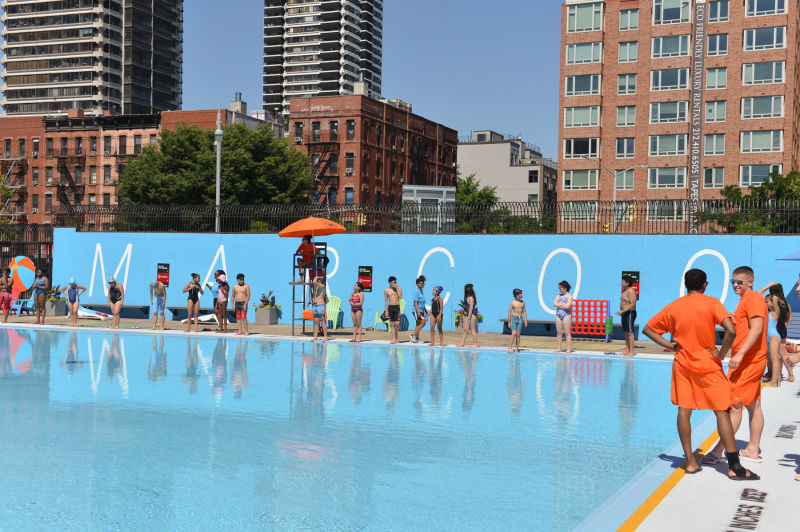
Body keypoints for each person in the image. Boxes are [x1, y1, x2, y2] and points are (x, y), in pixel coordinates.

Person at [643, 268, 759, 480]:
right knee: (722, 411)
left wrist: (671, 345)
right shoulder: (712, 303)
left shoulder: (674, 306)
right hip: (708, 363)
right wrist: (721, 353)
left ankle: (690, 461)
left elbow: (648, 329)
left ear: (686, 284)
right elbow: (731, 330)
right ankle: (734, 466)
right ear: (704, 285)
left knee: (684, 410)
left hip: (682, 363)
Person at [706, 266, 768, 465]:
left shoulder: (753, 299)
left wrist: (740, 354)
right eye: (733, 281)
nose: (735, 284)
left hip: (748, 361)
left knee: (734, 406)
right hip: (751, 360)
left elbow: (757, 328)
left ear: (750, 282)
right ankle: (752, 449)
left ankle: (719, 451)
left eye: (739, 282)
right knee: (754, 405)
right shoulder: (748, 300)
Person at [758, 281, 792, 386]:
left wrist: (769, 285)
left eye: (768, 302)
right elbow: (789, 319)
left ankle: (774, 381)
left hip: (774, 334)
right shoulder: (785, 304)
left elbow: (759, 293)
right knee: (778, 356)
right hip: (779, 331)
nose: (766, 303)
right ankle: (778, 378)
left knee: (774, 358)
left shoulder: (774, 308)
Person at [616, 275, 638, 356]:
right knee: (626, 332)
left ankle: (631, 351)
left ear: (627, 283)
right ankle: (627, 350)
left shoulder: (631, 291)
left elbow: (632, 304)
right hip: (625, 313)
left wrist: (622, 311)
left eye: (623, 281)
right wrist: (622, 312)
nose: (621, 283)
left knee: (630, 332)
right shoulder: (624, 290)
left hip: (630, 313)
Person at [553, 280, 573, 353]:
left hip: (566, 315)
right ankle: (559, 348)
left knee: (567, 332)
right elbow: (554, 304)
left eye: (561, 289)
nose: (560, 290)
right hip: (558, 315)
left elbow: (567, 306)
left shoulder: (570, 296)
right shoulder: (558, 296)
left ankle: (568, 348)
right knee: (559, 332)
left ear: (565, 288)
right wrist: (562, 305)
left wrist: (559, 304)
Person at [457, 283, 479, 348]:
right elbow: (468, 307)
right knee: (466, 329)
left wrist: (469, 317)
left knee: (472, 329)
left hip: (472, 315)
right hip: (469, 315)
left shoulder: (471, 298)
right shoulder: (468, 297)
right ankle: (462, 343)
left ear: (467, 290)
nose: (463, 290)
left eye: (464, 289)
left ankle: (475, 344)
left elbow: (471, 308)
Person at [507, 288, 528, 353]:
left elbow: (524, 312)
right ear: (516, 295)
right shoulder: (512, 303)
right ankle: (510, 347)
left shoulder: (523, 302)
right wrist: (509, 322)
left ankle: (516, 348)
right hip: (514, 318)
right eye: (520, 294)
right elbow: (509, 313)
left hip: (520, 318)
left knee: (518, 334)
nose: (522, 295)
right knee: (514, 333)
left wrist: (525, 320)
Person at [384, 276, 402, 344]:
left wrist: (397, 288)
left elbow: (400, 297)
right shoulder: (386, 290)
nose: (395, 283)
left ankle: (396, 336)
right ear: (389, 283)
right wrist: (386, 310)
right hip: (390, 307)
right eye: (393, 282)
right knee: (391, 324)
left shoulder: (398, 288)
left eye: (395, 282)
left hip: (397, 307)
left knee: (397, 323)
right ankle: (394, 339)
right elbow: (386, 301)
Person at [410, 275, 428, 343]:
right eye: (421, 283)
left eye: (423, 283)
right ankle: (413, 335)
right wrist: (418, 312)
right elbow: (415, 302)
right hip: (417, 311)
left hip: (422, 310)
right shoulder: (416, 291)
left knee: (418, 324)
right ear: (417, 284)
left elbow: (423, 303)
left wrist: (426, 311)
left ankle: (416, 337)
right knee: (423, 322)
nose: (422, 284)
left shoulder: (421, 291)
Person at [311, 275, 328, 341]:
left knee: (322, 321)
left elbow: (314, 281)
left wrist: (317, 277)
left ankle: (325, 336)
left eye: (319, 279)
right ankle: (316, 336)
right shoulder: (318, 287)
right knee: (316, 322)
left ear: (320, 281)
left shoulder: (323, 286)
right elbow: (314, 283)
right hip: (315, 305)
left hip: (321, 305)